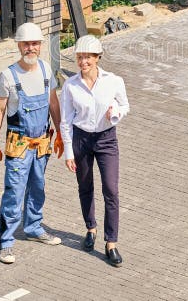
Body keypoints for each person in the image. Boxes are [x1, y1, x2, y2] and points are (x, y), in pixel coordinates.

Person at [0, 22, 65, 264]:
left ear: (40, 46)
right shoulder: (7, 76)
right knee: (14, 192)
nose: (30, 48)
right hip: (18, 145)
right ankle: (6, 242)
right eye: (26, 44)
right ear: (19, 46)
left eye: (34, 43)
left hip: (42, 143)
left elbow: (53, 103)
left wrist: (61, 133)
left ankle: (33, 228)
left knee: (38, 187)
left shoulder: (45, 70)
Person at [60, 35, 129, 267]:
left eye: (88, 57)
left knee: (111, 189)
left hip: (107, 139)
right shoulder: (70, 86)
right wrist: (69, 152)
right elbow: (65, 121)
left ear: (98, 58)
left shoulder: (113, 81)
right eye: (80, 57)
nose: (83, 62)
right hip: (81, 140)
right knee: (85, 186)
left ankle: (111, 243)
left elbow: (125, 104)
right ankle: (91, 228)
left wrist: (116, 113)